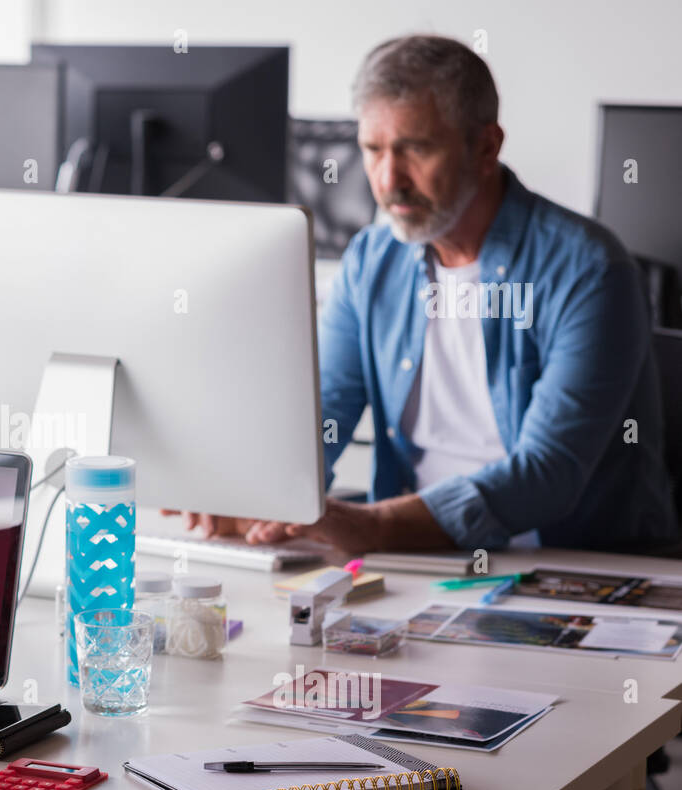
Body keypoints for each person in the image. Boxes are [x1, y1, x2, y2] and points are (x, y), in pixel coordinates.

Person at [177, 34, 676, 554]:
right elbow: (325, 416)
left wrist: (374, 526)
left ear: (486, 147)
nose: (388, 180)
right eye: (372, 150)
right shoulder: (371, 259)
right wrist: (262, 497)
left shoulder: (589, 269)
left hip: (573, 568)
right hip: (419, 560)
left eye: (415, 148)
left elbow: (548, 473)